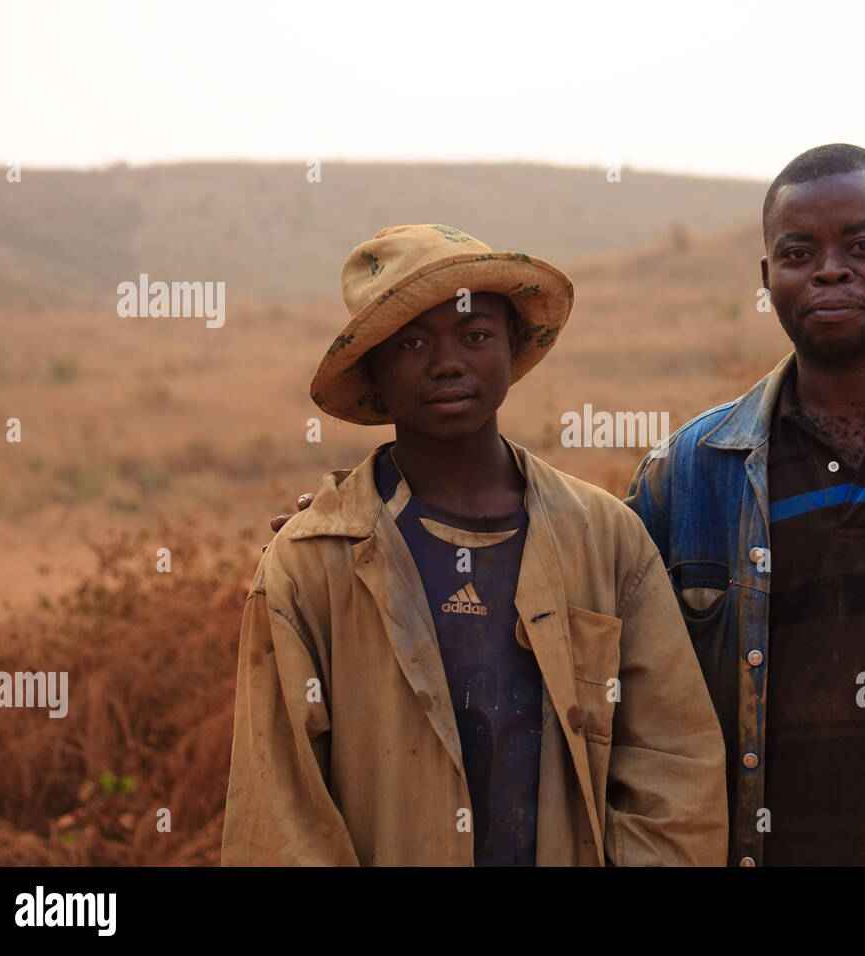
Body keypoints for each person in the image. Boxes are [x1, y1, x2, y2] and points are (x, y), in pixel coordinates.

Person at [276, 150, 865, 867]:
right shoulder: (691, 472)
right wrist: (345, 535)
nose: (830, 272)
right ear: (767, 277)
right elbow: (601, 647)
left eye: (862, 245)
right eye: (799, 255)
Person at [224, 223, 727, 866]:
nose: (448, 361)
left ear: (513, 346)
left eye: (476, 334)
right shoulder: (310, 562)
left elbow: (672, 766)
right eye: (412, 342)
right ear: (374, 371)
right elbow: (281, 813)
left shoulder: (604, 540)